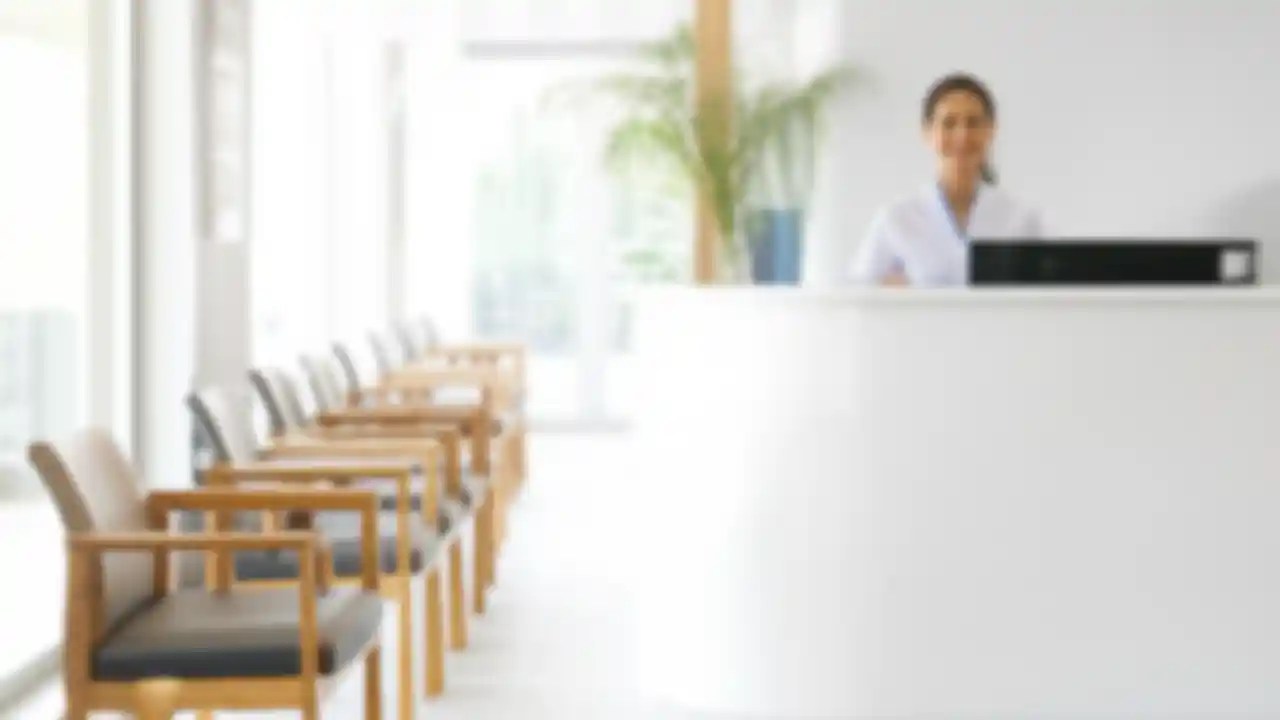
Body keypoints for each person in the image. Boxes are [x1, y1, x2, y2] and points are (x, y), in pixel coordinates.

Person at [850, 73, 1043, 287]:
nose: (962, 136)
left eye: (973, 123)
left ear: (991, 131)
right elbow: (860, 298)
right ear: (927, 132)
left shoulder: (1021, 221)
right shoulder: (896, 220)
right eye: (949, 123)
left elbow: (1044, 299)